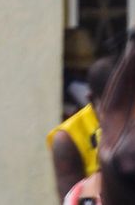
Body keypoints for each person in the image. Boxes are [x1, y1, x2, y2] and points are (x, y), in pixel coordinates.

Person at [49, 56, 115, 200]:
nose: (123, 116)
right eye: (113, 107)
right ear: (91, 100)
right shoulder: (68, 138)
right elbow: (74, 200)